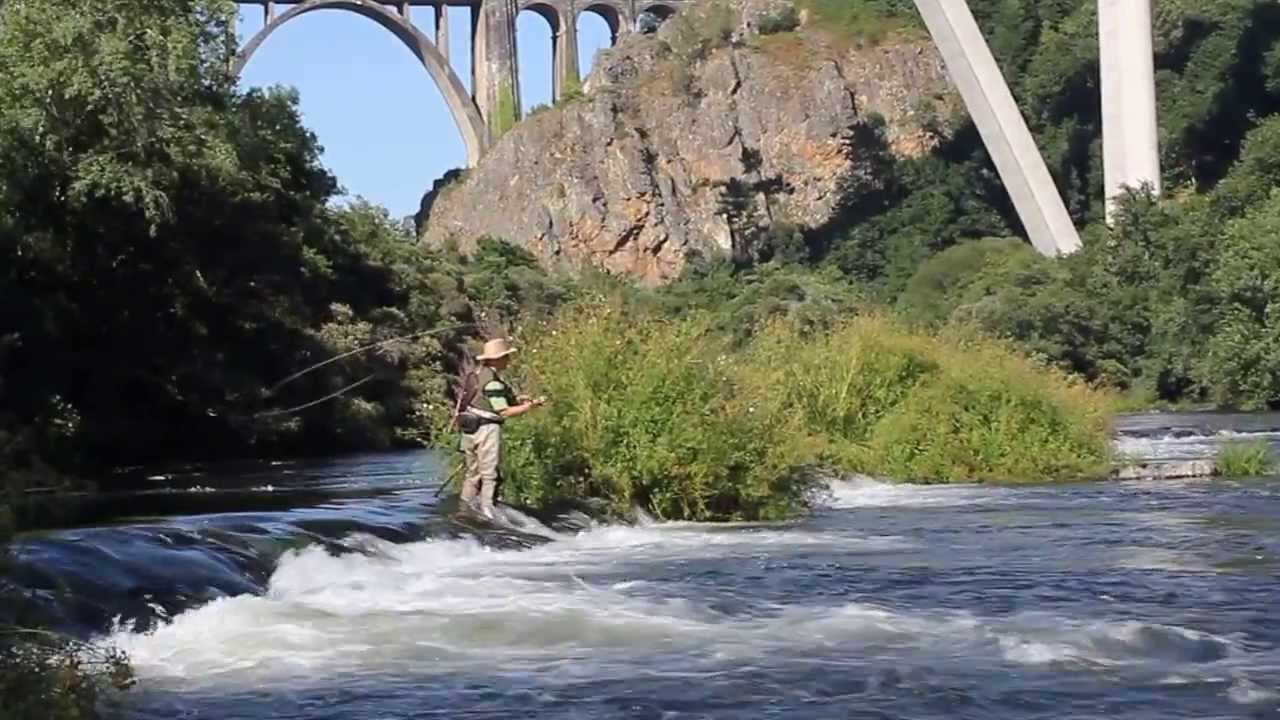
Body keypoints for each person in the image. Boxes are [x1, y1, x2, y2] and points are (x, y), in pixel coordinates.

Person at [455, 337, 545, 519]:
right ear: (497, 359)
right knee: (489, 476)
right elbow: (504, 411)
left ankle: (464, 511)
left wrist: (518, 399)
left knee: (472, 475)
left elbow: (485, 399)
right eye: (506, 356)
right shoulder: (493, 382)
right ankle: (489, 513)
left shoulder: (477, 374)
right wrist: (531, 406)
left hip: (470, 430)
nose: (508, 360)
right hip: (486, 430)